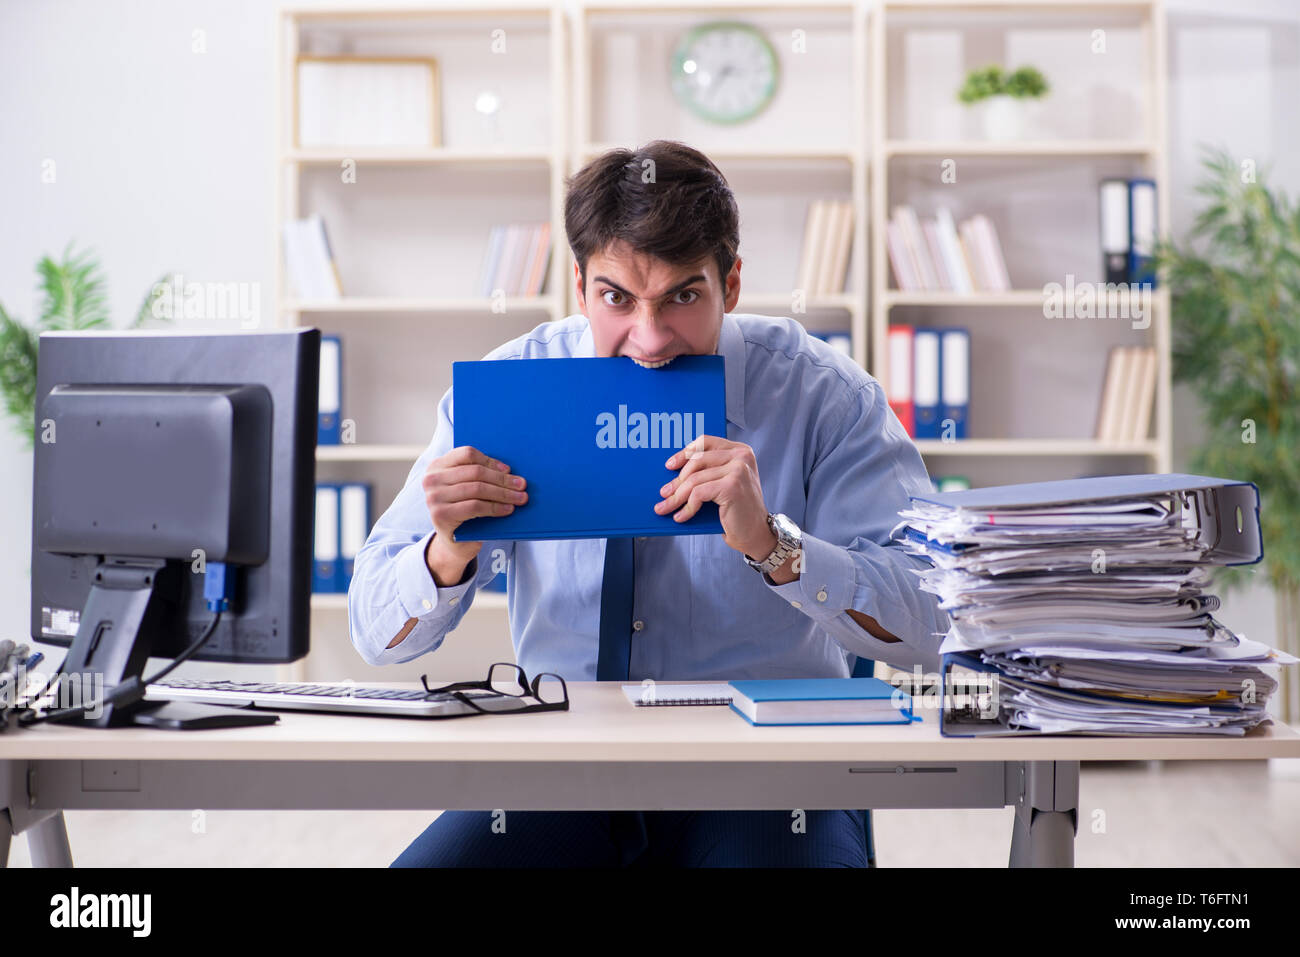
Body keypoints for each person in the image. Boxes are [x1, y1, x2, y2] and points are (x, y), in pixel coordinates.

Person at [349, 140, 949, 867]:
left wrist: (775, 546)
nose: (650, 338)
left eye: (682, 296)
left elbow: (935, 620)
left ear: (730, 283)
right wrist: (448, 552)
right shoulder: (512, 390)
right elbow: (376, 635)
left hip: (763, 774)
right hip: (558, 770)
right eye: (616, 298)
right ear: (579, 287)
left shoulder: (824, 395)